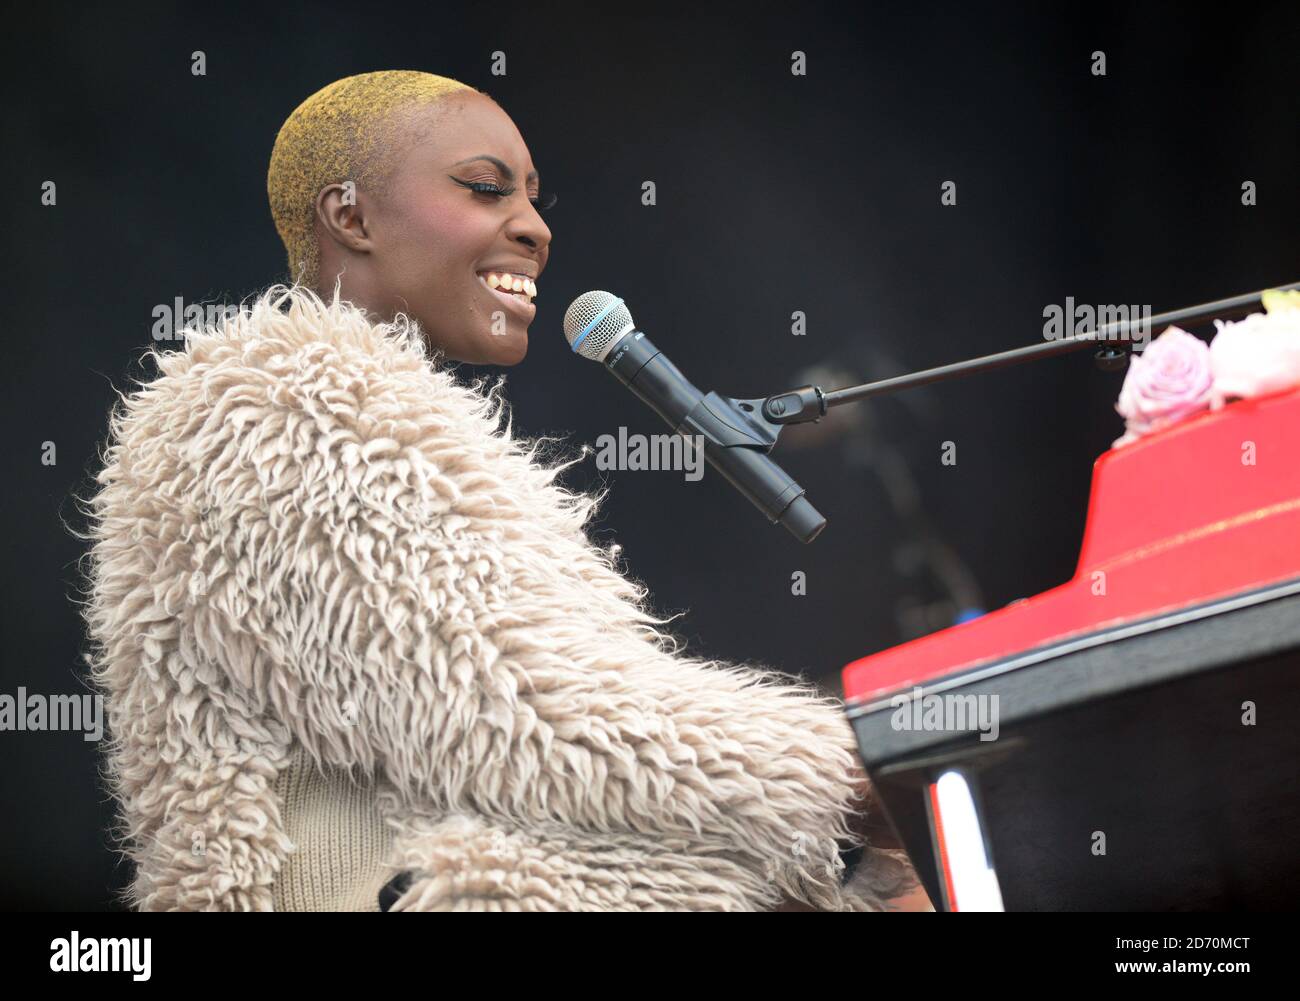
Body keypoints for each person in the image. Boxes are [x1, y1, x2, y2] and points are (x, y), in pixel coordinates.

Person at [82, 70, 916, 911]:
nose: (535, 227)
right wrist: (866, 766)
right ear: (352, 216)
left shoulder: (353, 417)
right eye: (485, 189)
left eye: (533, 196)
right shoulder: (273, 407)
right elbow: (530, 728)